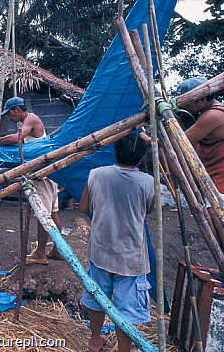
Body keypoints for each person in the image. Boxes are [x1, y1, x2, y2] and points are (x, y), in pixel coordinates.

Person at [176, 77, 224, 291]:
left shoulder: (213, 116)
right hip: (218, 179)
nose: (186, 107)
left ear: (201, 99)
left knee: (223, 224)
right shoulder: (209, 114)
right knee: (216, 225)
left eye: (188, 102)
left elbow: (181, 141)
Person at [79, 134, 154, 352]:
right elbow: (149, 209)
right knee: (127, 308)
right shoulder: (148, 181)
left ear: (115, 152)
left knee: (97, 295)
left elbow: (84, 208)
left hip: (101, 250)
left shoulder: (97, 174)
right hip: (131, 256)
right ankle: (124, 349)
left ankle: (95, 340)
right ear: (140, 158)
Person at [0, 97, 62, 264]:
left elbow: (17, 138)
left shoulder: (30, 118)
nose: (9, 117)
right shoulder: (27, 121)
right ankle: (58, 250)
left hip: (43, 175)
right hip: (47, 173)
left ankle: (41, 254)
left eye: (9, 113)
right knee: (53, 214)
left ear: (17, 109)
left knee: (44, 215)